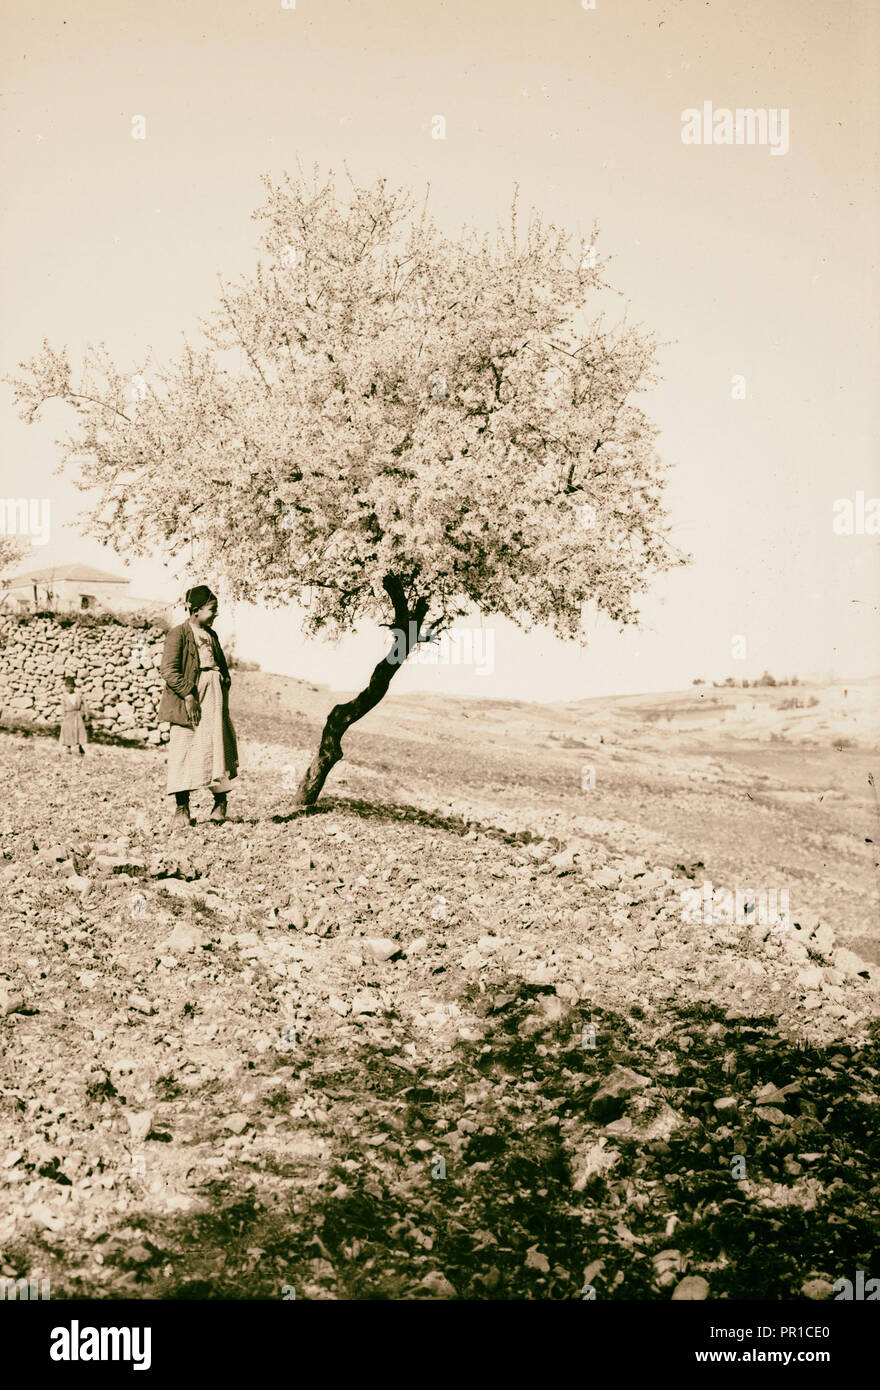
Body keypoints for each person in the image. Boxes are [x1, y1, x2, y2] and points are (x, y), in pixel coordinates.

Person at [158, 585, 238, 827]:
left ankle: (220, 804)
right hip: (189, 698)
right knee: (184, 748)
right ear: (195, 610)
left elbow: (222, 667)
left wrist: (223, 681)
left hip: (214, 698)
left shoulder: (211, 636)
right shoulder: (178, 634)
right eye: (212, 609)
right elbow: (169, 670)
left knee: (215, 747)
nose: (215, 614)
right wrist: (189, 696)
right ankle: (182, 809)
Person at [59, 675, 88, 756]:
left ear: (74, 687)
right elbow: (63, 706)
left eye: (71, 686)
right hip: (68, 714)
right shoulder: (64, 696)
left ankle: (80, 747)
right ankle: (68, 747)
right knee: (68, 730)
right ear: (65, 687)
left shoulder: (78, 695)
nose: (69, 688)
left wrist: (86, 713)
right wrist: (63, 714)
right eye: (67, 687)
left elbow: (84, 703)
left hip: (77, 714)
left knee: (79, 730)